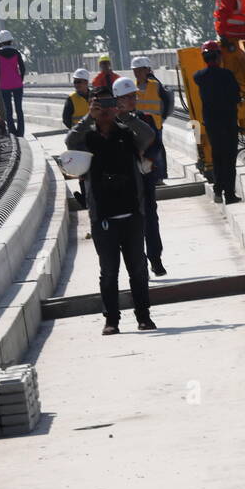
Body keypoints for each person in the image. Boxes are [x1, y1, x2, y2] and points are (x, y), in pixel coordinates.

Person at [65, 86, 157, 335]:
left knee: (138, 268)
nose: (105, 110)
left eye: (109, 104)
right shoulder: (88, 138)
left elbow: (149, 136)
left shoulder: (127, 134)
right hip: (102, 217)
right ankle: (111, 321)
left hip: (132, 214)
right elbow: (69, 141)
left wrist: (124, 113)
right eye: (100, 104)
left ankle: (144, 317)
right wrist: (88, 117)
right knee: (108, 272)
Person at [113, 76, 166, 277]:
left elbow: (156, 145)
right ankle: (139, 261)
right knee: (130, 225)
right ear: (117, 99)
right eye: (127, 97)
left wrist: (150, 160)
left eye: (133, 96)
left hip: (145, 177)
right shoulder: (111, 123)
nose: (132, 100)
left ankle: (155, 258)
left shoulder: (145, 118)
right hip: (124, 182)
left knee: (151, 218)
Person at [192, 41, 242, 204]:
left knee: (217, 157)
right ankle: (229, 194)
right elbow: (236, 97)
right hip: (228, 123)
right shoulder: (227, 75)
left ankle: (218, 190)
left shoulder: (199, 77)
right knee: (229, 159)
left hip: (212, 125)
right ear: (219, 56)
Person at [131, 57, 173, 184]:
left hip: (155, 124)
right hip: (138, 126)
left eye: (139, 70)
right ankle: (146, 177)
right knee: (142, 153)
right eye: (135, 70)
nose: (136, 73)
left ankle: (159, 177)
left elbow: (167, 101)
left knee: (157, 151)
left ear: (146, 70)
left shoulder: (155, 85)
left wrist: (162, 117)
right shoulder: (132, 87)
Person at [63, 68, 91, 208]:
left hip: (93, 138)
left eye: (79, 82)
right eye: (75, 82)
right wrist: (76, 130)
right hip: (78, 141)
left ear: (86, 82)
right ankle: (86, 200)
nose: (77, 84)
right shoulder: (71, 99)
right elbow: (66, 120)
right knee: (82, 171)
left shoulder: (94, 97)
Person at [0, 30, 26, 137]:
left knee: (8, 109)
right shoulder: (16, 53)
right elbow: (22, 68)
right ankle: (20, 132)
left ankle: (12, 131)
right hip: (17, 84)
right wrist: (20, 78)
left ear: (0, 42)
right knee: (19, 109)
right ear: (11, 40)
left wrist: (1, 74)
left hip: (5, 84)